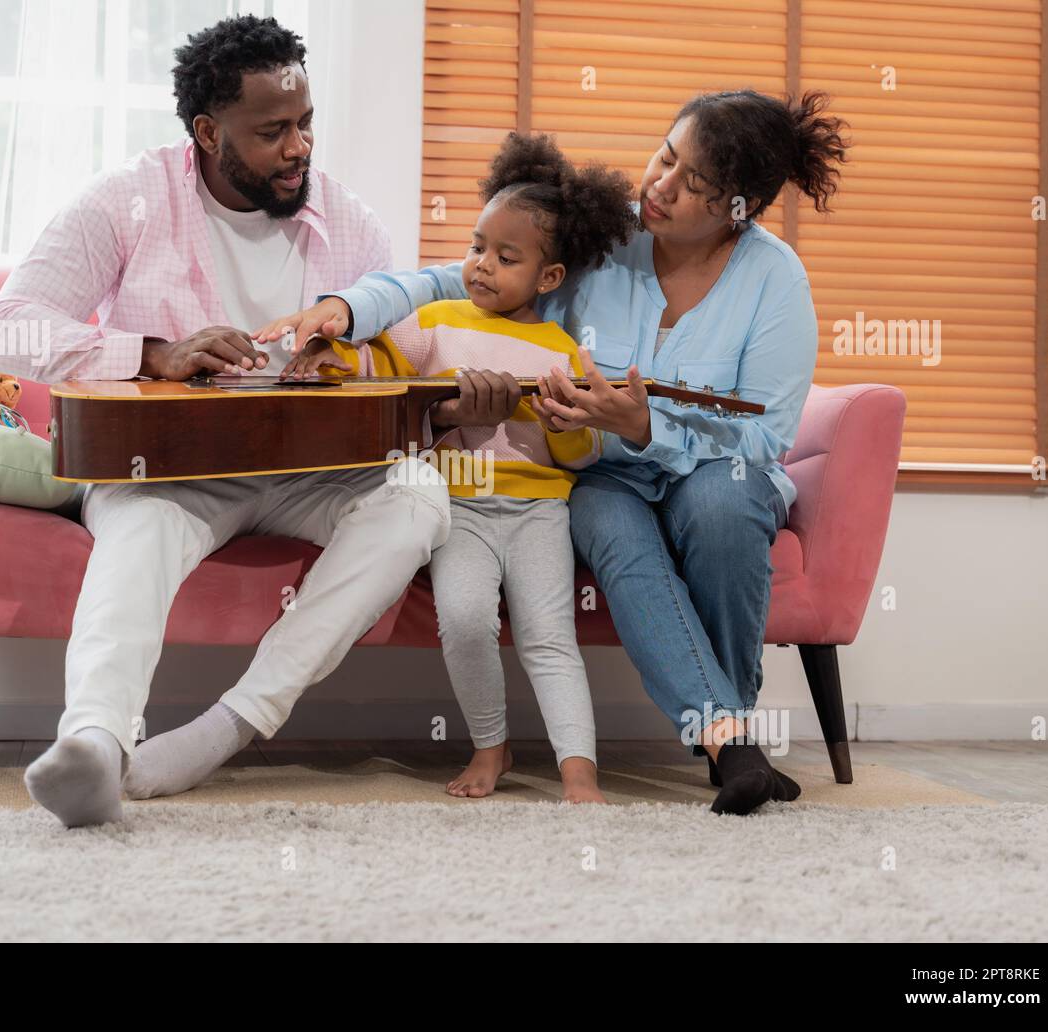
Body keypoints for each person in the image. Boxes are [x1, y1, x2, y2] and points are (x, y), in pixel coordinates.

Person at [255, 90, 851, 816]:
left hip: (712, 469)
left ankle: (727, 732)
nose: (661, 186)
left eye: (696, 184)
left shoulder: (775, 280)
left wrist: (646, 428)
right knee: (612, 527)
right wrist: (347, 310)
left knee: (723, 504)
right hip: (603, 471)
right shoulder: (602, 236)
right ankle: (735, 746)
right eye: (666, 156)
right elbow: (457, 279)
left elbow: (764, 438)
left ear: (740, 207)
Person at [0, 15, 455, 827]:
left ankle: (227, 728)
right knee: (134, 534)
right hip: (169, 469)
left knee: (419, 500)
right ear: (207, 132)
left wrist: (390, 370)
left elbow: (413, 351)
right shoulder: (127, 200)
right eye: (273, 131)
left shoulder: (350, 221)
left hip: (310, 471)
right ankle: (95, 746)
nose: (300, 147)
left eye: (306, 123)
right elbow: (9, 328)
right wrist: (153, 352)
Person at [286, 133, 634, 802]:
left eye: (506, 258)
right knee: (467, 619)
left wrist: (559, 424)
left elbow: (581, 454)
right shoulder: (436, 319)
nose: (480, 265)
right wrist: (336, 359)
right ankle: (490, 747)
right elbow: (380, 368)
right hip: (460, 511)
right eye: (476, 247)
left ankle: (578, 770)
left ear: (549, 277)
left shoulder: (564, 351)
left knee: (548, 635)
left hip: (539, 515)